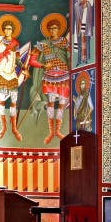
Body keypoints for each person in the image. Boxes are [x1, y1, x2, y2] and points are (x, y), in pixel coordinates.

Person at [27, 15, 70, 144]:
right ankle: (51, 132)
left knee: (61, 104)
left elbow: (71, 55)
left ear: (59, 29)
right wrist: (44, 65)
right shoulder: (42, 44)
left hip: (63, 75)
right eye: (50, 28)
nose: (53, 30)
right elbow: (32, 61)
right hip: (50, 75)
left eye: (55, 28)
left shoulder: (64, 42)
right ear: (48, 30)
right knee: (51, 103)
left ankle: (58, 130)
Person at [72, 0, 93, 65]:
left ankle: (86, 59)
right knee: (80, 36)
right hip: (79, 14)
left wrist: (86, 4)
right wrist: (79, 3)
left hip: (85, 13)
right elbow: (76, 0)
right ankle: (80, 60)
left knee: (86, 37)